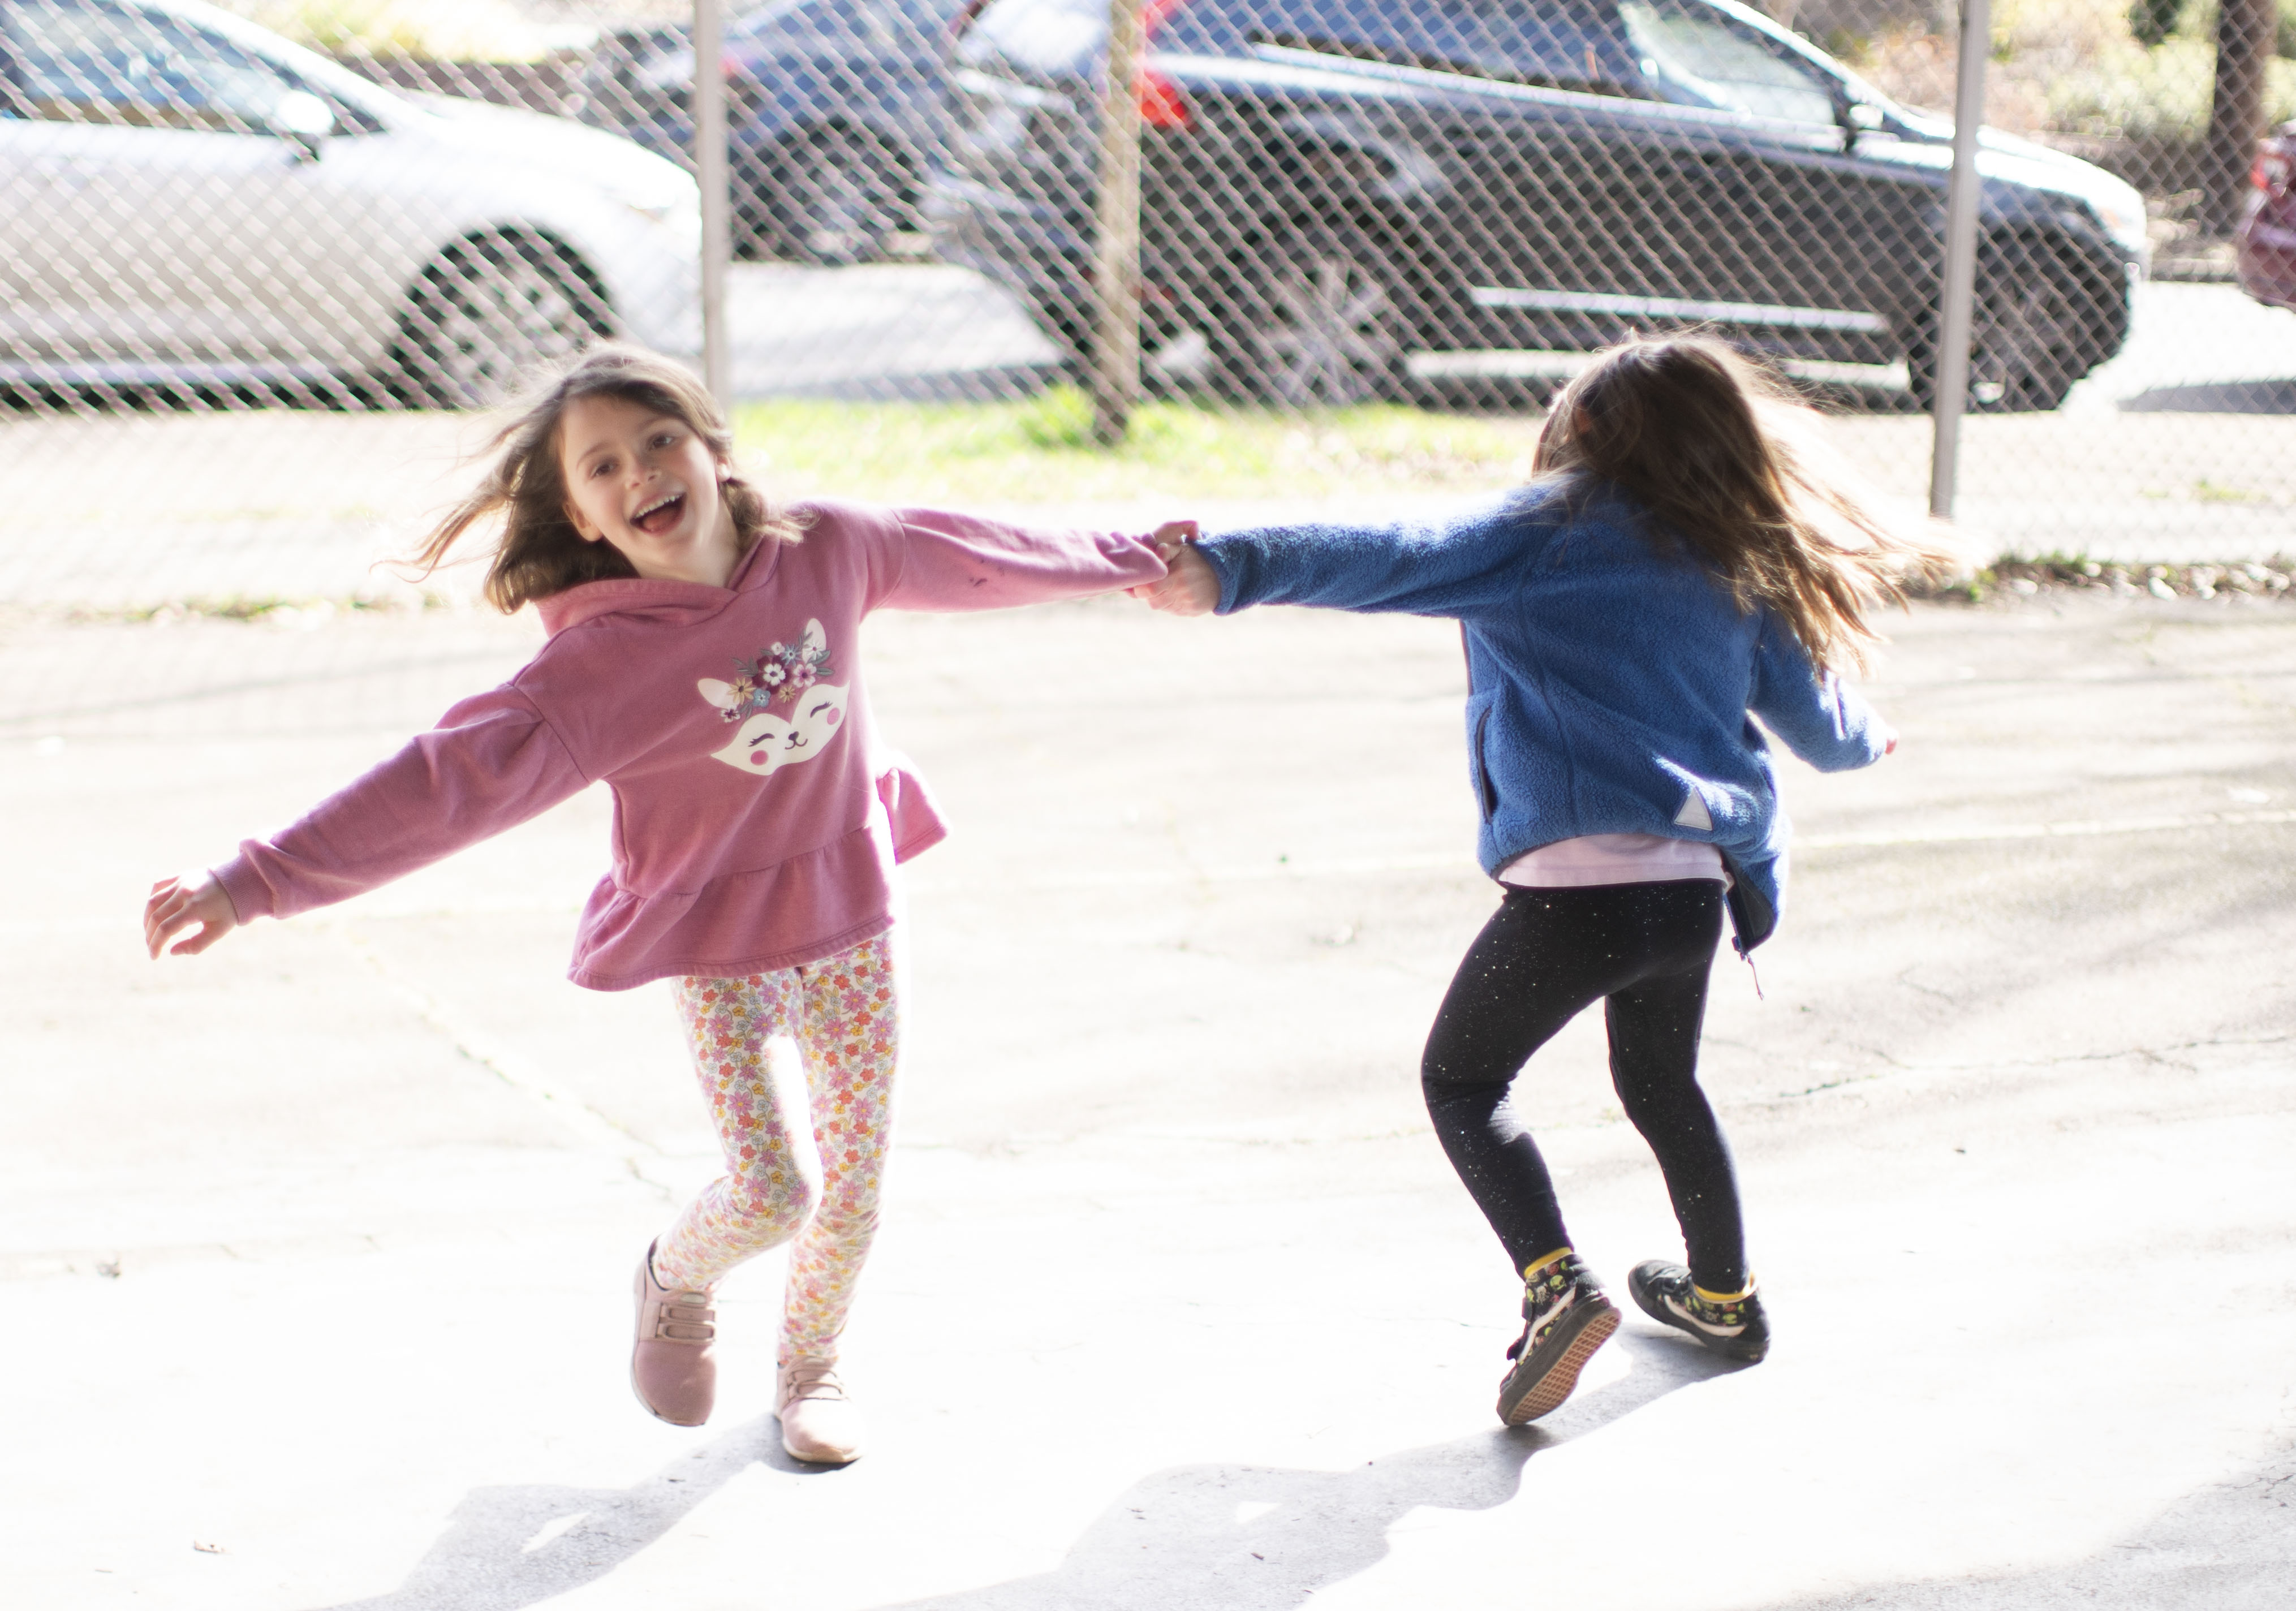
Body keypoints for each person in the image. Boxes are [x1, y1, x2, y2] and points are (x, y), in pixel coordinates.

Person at [143, 344, 1167, 1463]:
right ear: (580, 514)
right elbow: (443, 786)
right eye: (602, 466)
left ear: (713, 449)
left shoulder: (826, 551)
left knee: (855, 1193)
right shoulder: (594, 671)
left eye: (658, 440)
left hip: (850, 916)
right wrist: (258, 878)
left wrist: (1128, 559)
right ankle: (671, 1275)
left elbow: (974, 555)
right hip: (711, 938)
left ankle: (810, 1364)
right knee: (775, 1189)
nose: (639, 473)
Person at [1133, 335, 1952, 1426]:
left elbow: (1389, 548)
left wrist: (1232, 563)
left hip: (1578, 891)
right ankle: (1724, 1299)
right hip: (1694, 892)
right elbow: (1822, 723)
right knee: (1665, 1087)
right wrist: (1873, 743)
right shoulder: (1727, 553)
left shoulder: (1546, 532)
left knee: (1463, 1083)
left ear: (1584, 438)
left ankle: (1556, 1286)